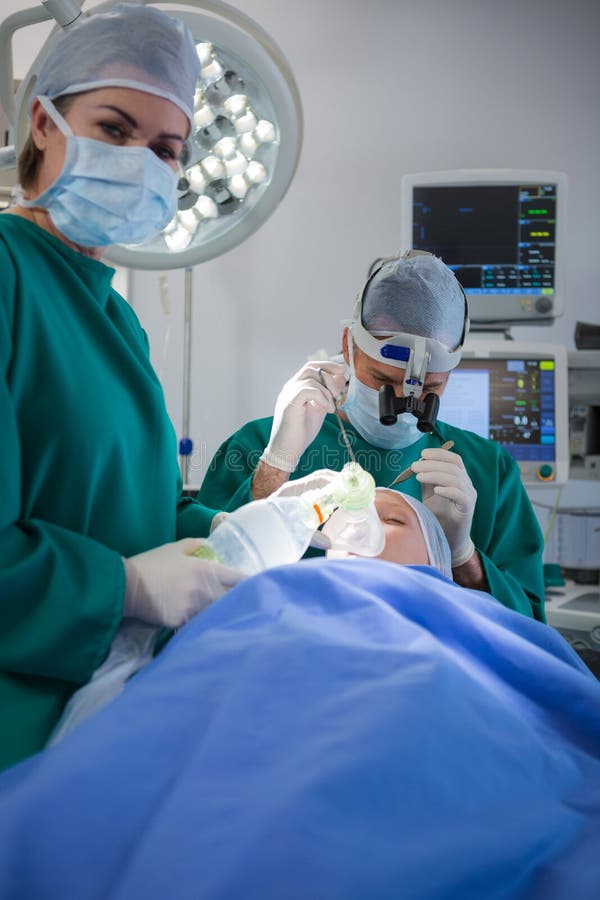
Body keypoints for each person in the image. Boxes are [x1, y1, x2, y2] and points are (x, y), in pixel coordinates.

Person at [0, 3, 243, 772]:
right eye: (114, 129)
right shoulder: (8, 277)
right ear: (43, 122)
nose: (144, 161)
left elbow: (140, 505)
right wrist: (125, 585)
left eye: (168, 149)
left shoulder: (114, 314)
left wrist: (268, 532)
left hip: (108, 691)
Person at [199, 252, 545, 621]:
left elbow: (529, 631)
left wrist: (463, 556)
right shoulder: (260, 444)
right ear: (348, 344)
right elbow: (198, 582)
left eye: (430, 388)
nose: (402, 402)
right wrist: (275, 468)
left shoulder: (489, 469)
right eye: (383, 381)